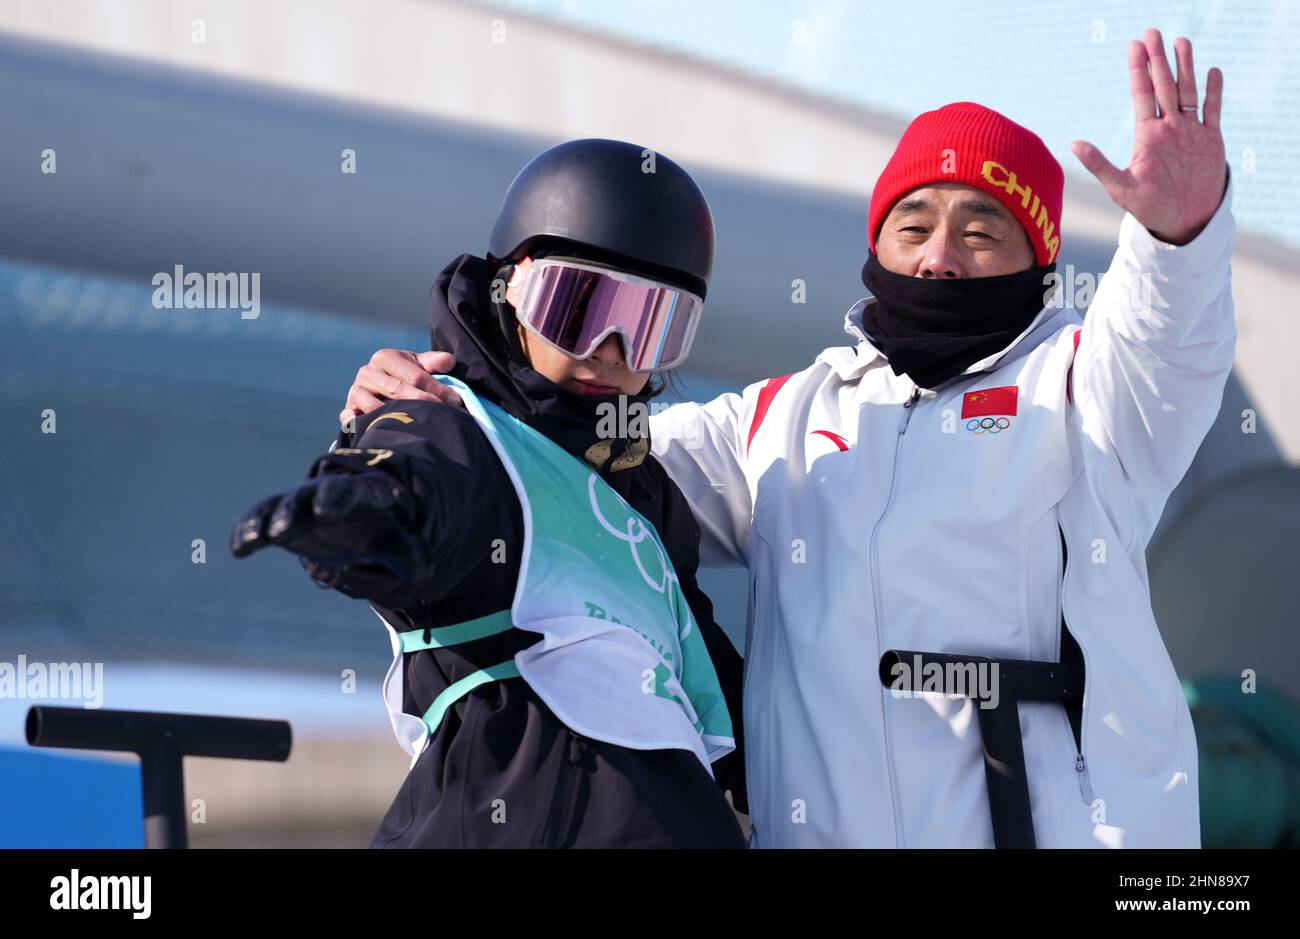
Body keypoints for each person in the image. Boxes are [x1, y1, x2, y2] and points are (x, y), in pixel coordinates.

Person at [340, 31, 1234, 847]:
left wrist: (1177, 238)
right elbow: (578, 463)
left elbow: (1169, 342)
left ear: (1038, 260)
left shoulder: (1089, 391)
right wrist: (426, 415)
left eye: (982, 230)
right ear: (877, 244)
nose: (940, 256)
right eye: (914, 225)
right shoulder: (789, 417)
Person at [231, 138, 747, 848]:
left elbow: (715, 676)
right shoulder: (461, 423)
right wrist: (364, 514)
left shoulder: (649, 500)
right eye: (581, 307)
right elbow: (424, 484)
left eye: (652, 326)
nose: (612, 351)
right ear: (513, 287)